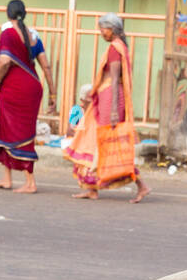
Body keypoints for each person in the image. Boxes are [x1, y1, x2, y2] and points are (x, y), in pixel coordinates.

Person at [64, 12, 150, 203]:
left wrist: (112, 110)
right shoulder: (120, 47)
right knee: (97, 142)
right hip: (106, 99)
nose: (101, 32)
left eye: (103, 28)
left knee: (111, 145)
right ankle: (92, 189)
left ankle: (142, 185)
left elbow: (114, 78)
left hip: (110, 99)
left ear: (112, 29)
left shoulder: (114, 48)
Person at [0, 0, 44, 193]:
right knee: (5, 130)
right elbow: (45, 64)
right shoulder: (30, 35)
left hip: (15, 88)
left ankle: (31, 183)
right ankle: (7, 178)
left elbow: (3, 62)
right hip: (32, 87)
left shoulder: (8, 34)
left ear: (8, 14)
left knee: (20, 134)